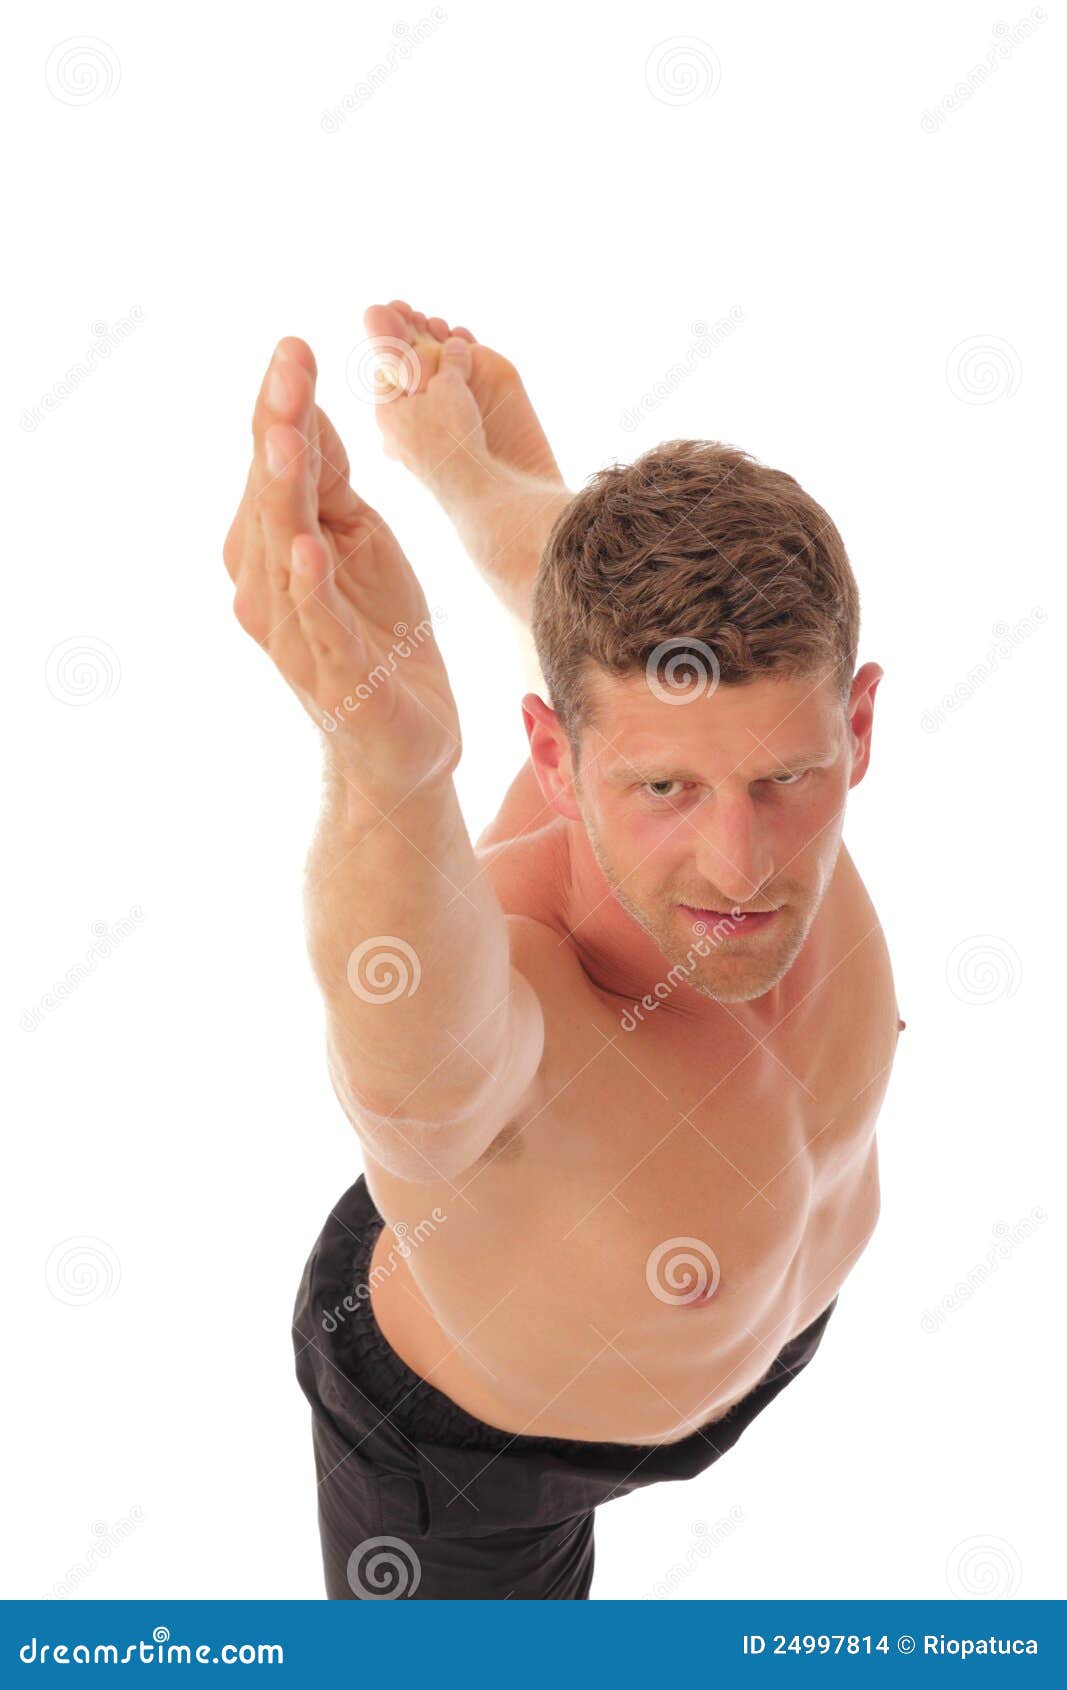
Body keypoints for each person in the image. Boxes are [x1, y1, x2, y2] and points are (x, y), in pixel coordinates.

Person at [222, 301, 902, 1599]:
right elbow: (422, 1086)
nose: (740, 866)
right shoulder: (524, 968)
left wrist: (474, 469)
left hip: (756, 1339)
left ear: (855, 726)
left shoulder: (702, 704)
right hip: (472, 1447)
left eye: (787, 777)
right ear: (555, 753)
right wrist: (390, 770)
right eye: (662, 793)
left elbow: (559, 575)